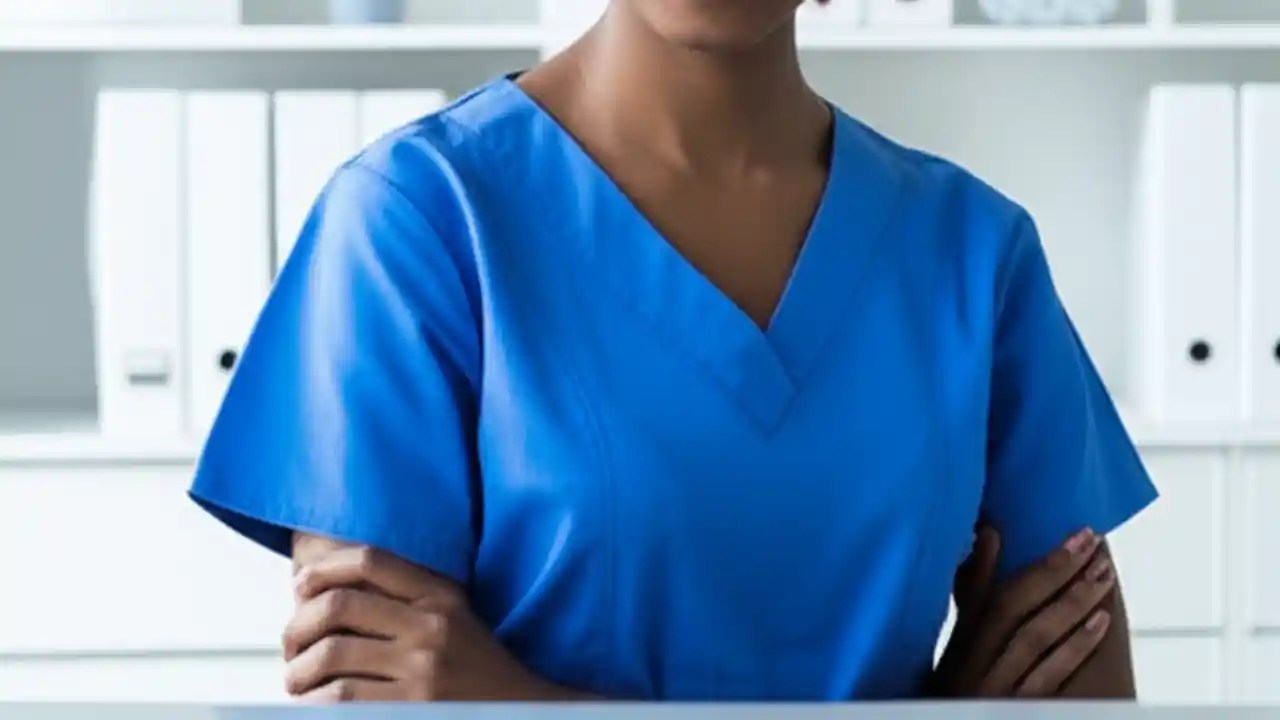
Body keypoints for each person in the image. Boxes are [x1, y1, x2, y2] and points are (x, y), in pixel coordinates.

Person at [189, 0, 1157, 702]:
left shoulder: (970, 251)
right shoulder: (419, 219)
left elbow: (1075, 677)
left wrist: (522, 703)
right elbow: (377, 689)